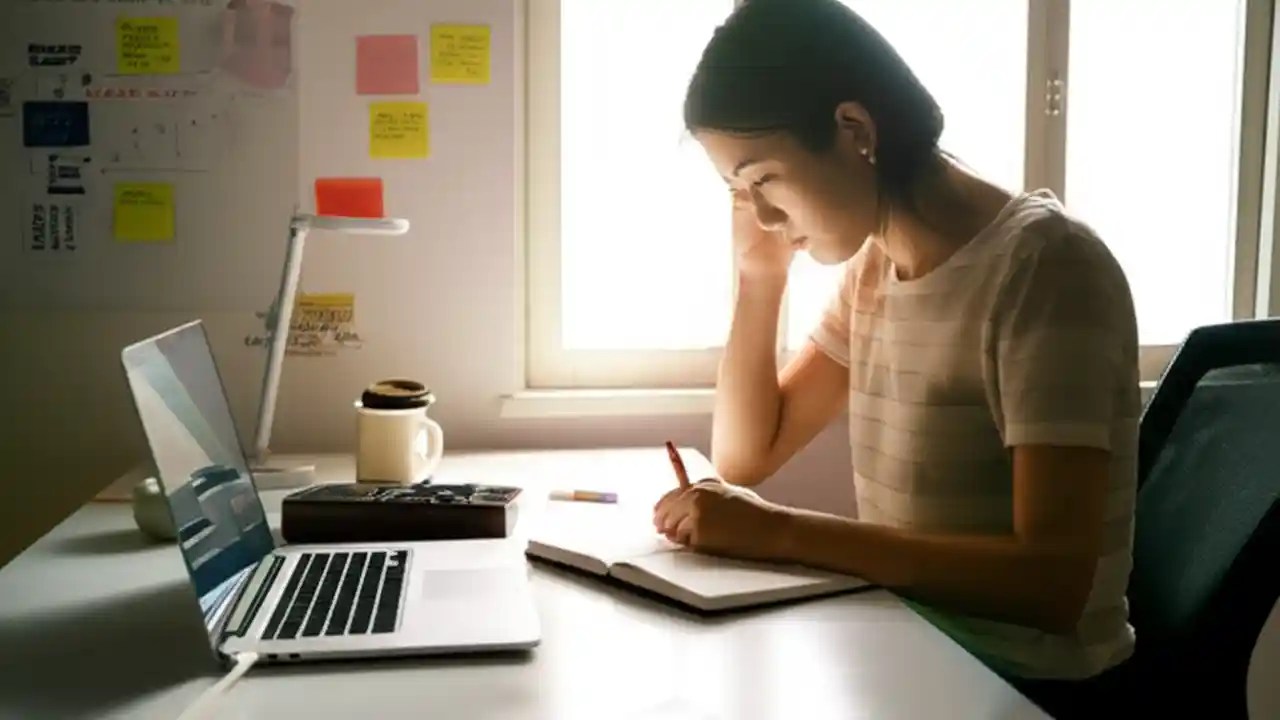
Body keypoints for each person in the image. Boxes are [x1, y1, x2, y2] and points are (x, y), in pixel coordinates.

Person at [651, 0, 1141, 716]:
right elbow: (745, 455)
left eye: (764, 181)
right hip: (915, 656)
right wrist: (760, 281)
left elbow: (1054, 585)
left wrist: (784, 532)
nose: (759, 214)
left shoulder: (1045, 267)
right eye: (738, 193)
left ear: (854, 131)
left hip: (1027, 690)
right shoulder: (877, 268)